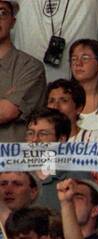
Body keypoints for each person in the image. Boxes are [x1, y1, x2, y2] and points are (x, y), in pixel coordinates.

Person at [0, 1, 46, 144]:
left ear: (13, 22)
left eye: (2, 13)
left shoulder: (31, 67)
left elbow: (6, 112)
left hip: (14, 163)